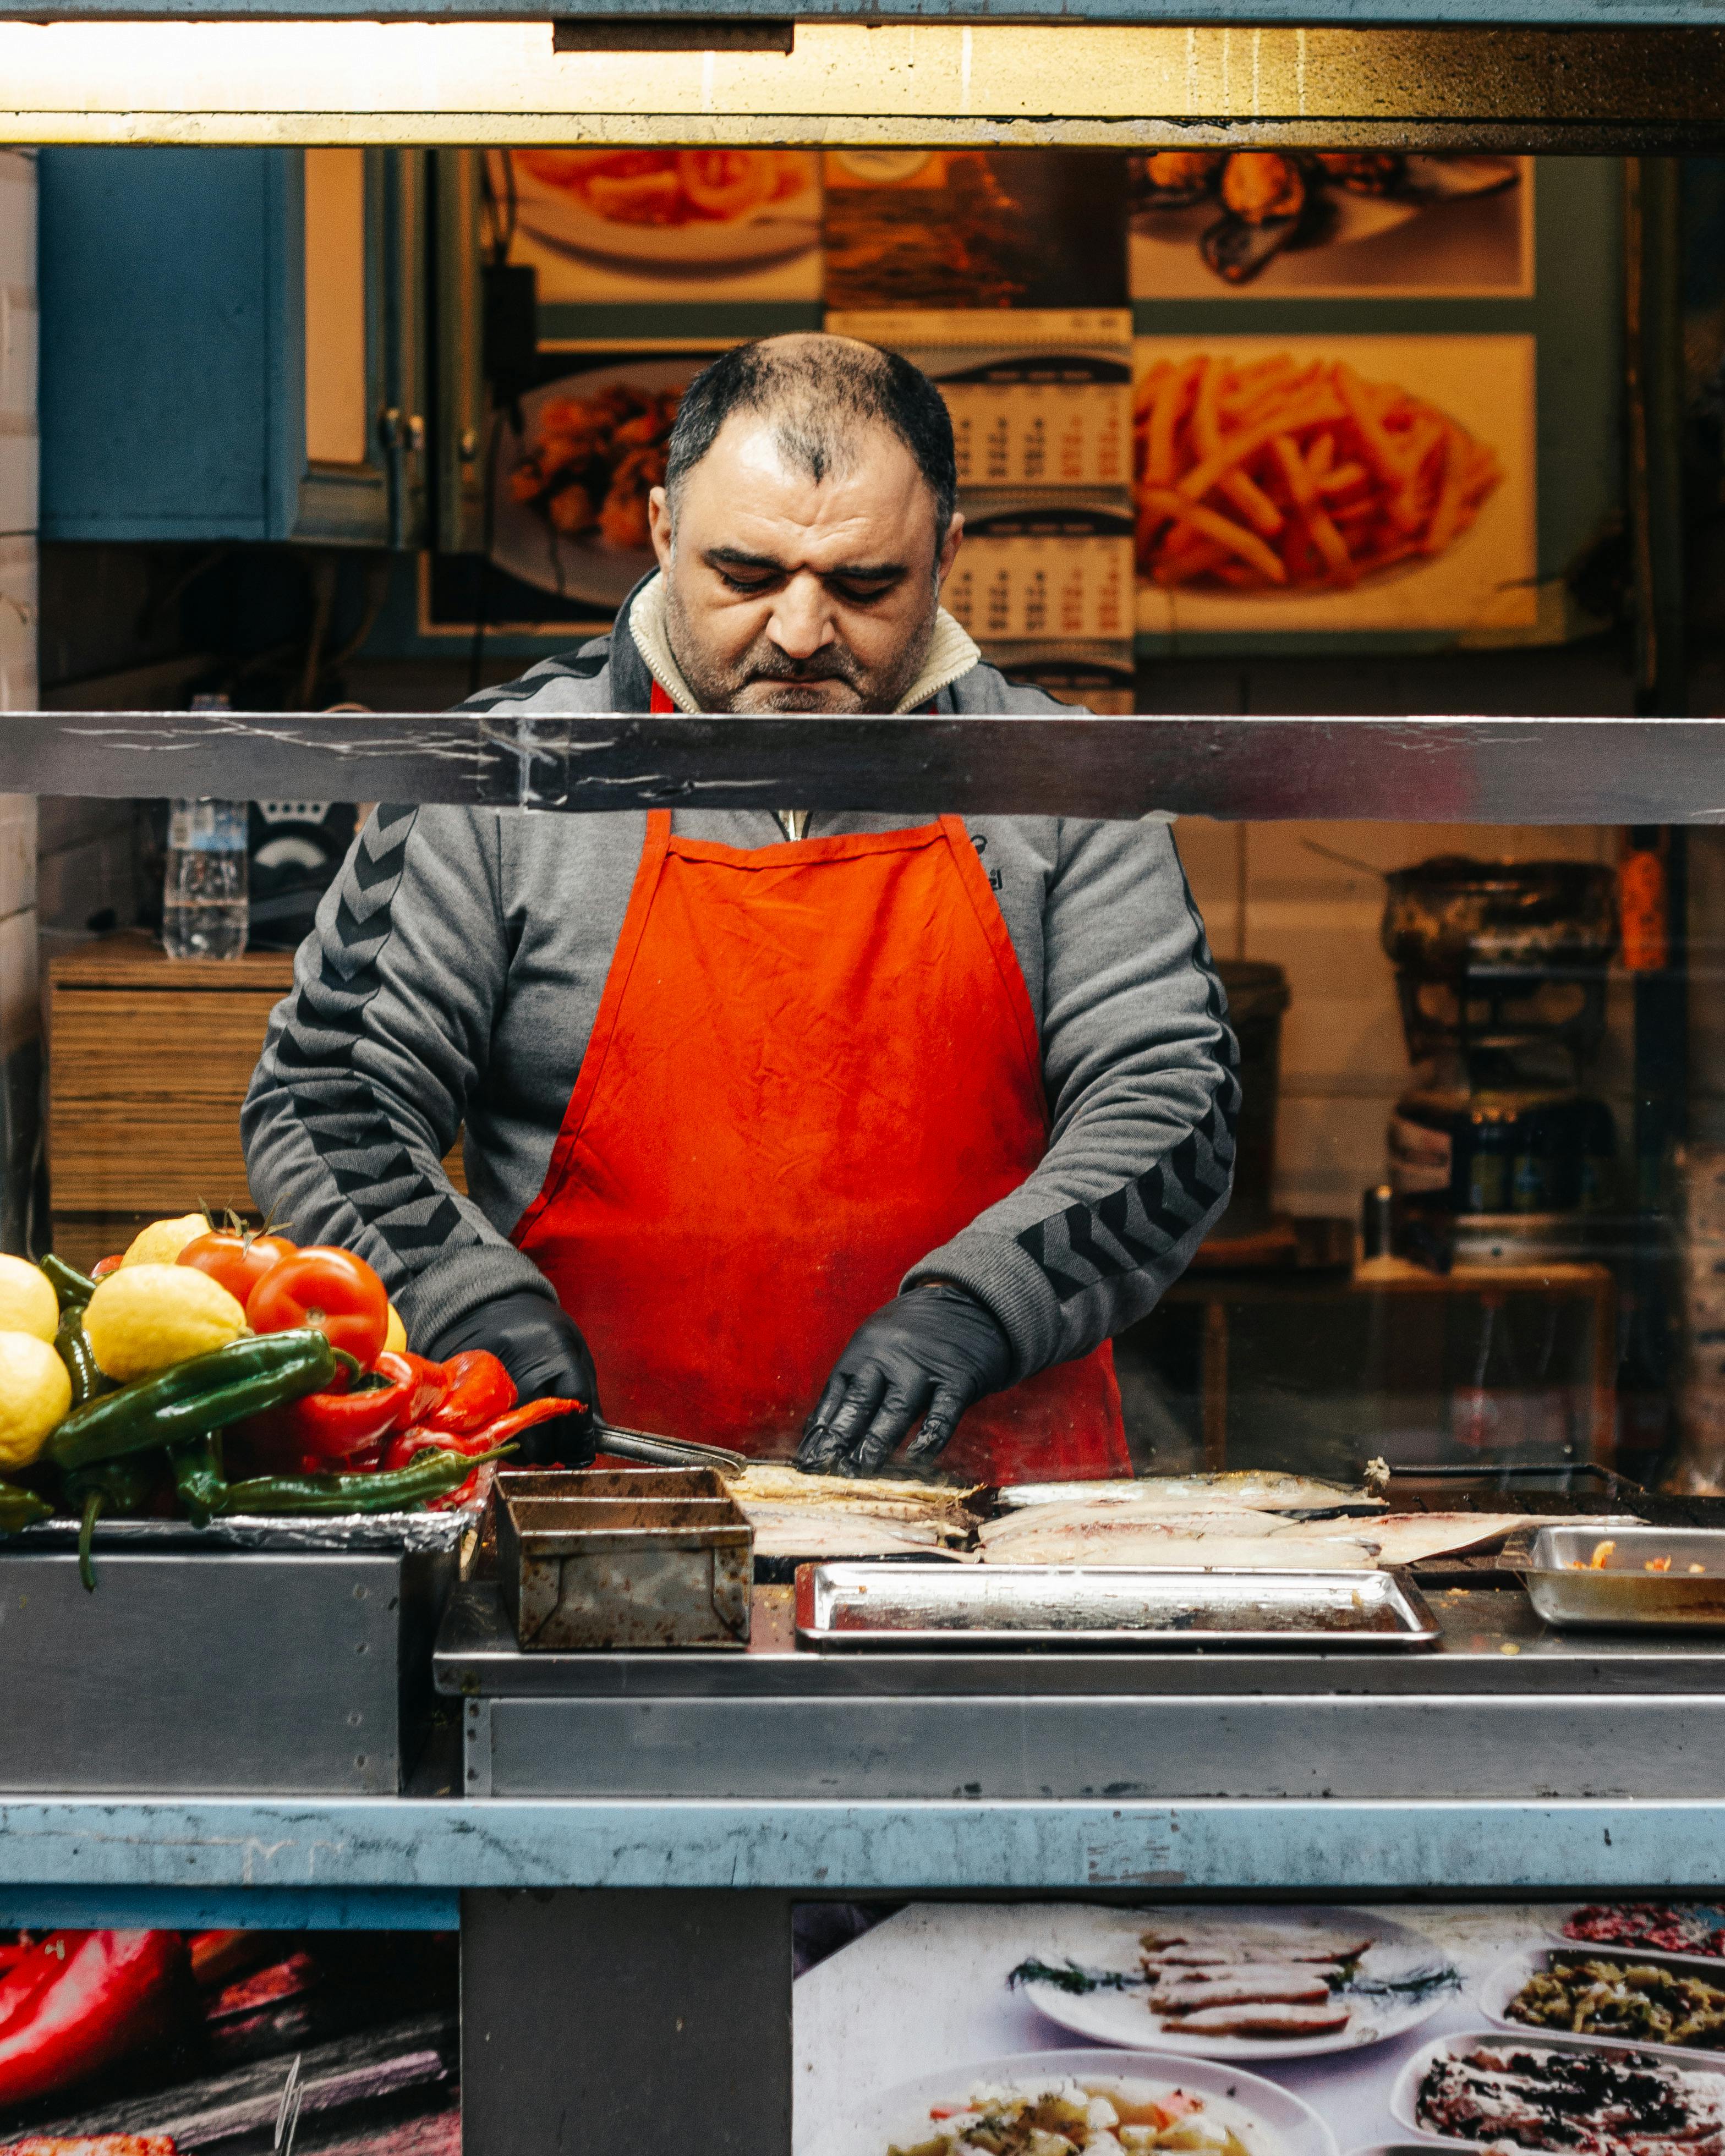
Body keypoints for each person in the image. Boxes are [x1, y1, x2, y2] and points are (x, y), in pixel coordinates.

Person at [242, 333, 1239, 1482]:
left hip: (995, 1517)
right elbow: (331, 1093)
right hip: (603, 1494)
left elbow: (1172, 1099)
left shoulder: (1064, 783)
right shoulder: (499, 777)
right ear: (664, 534)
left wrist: (981, 1307)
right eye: (746, 576)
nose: (801, 632)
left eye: (864, 585)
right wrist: (467, 1304)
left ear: (945, 554)